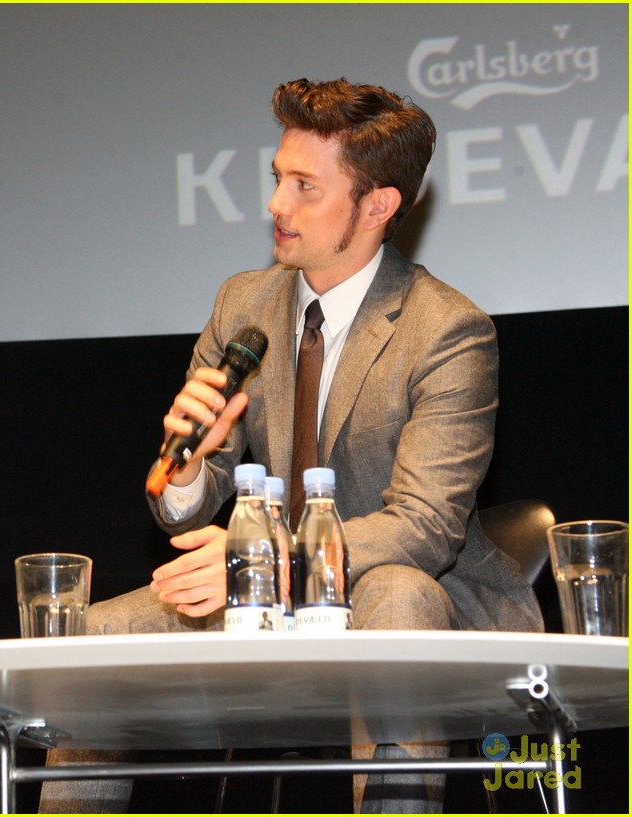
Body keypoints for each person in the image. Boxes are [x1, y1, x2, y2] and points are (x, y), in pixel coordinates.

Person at [41, 78, 542, 813]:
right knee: (100, 634)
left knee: (396, 597)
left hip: (410, 597)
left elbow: (424, 530)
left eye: (306, 186)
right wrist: (186, 467)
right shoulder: (242, 304)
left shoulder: (448, 331)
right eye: (278, 178)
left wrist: (261, 558)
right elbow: (185, 512)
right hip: (268, 599)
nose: (277, 204)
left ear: (378, 206)